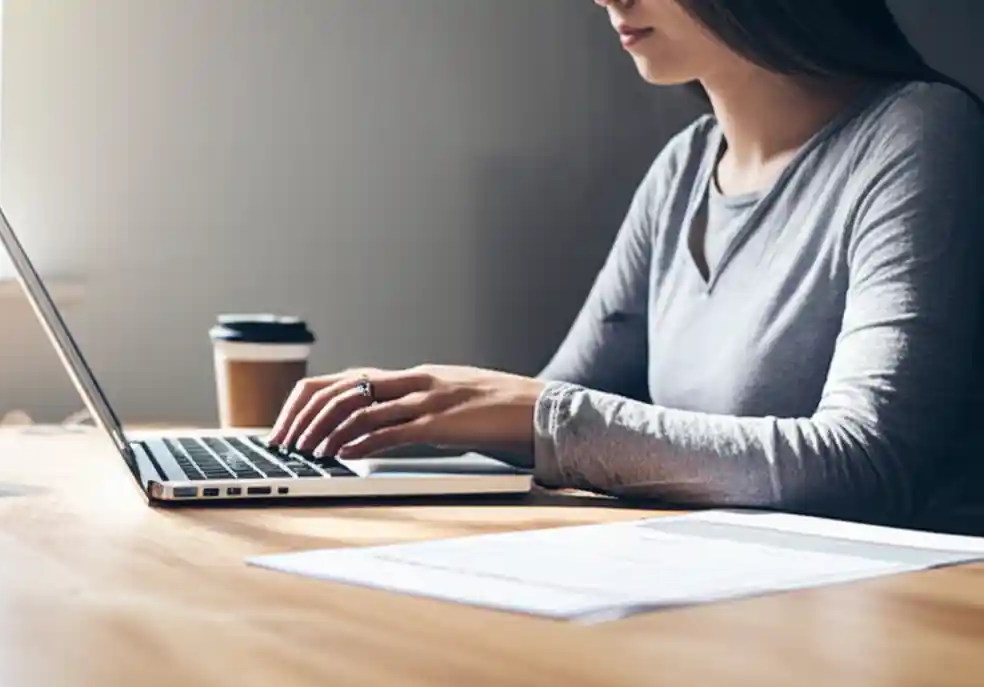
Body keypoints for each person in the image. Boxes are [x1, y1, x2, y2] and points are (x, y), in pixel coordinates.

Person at [266, 0, 984, 523]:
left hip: (890, 622)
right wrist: (395, 425)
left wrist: (538, 412)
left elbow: (866, 464)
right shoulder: (682, 172)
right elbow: (544, 425)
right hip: (727, 599)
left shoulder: (917, 134)